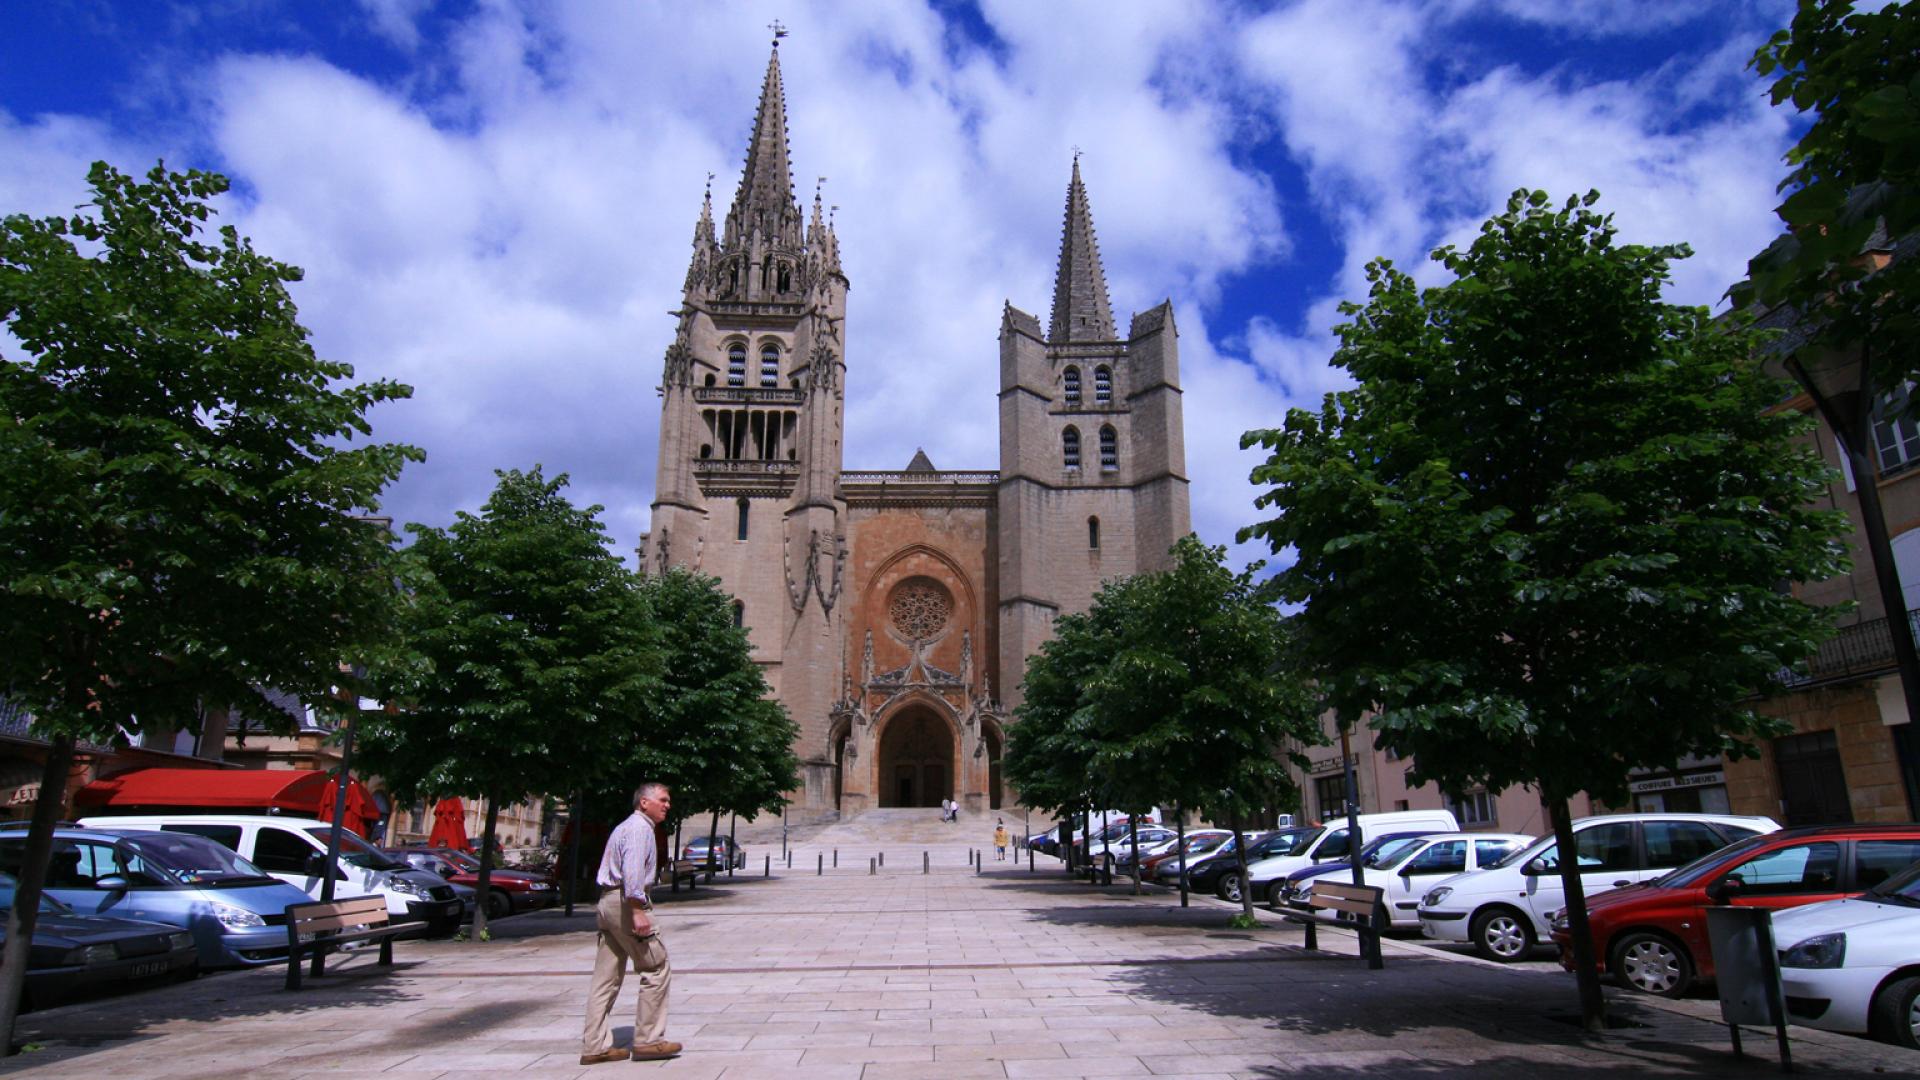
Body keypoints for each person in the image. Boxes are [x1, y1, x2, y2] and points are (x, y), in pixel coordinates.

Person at [581, 782, 680, 1065]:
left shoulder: (624, 827)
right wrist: (637, 910)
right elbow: (632, 870)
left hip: (607, 902)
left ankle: (595, 1045)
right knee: (656, 966)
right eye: (662, 799)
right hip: (626, 902)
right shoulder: (640, 829)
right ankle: (649, 1040)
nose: (667, 805)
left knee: (606, 978)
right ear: (644, 803)